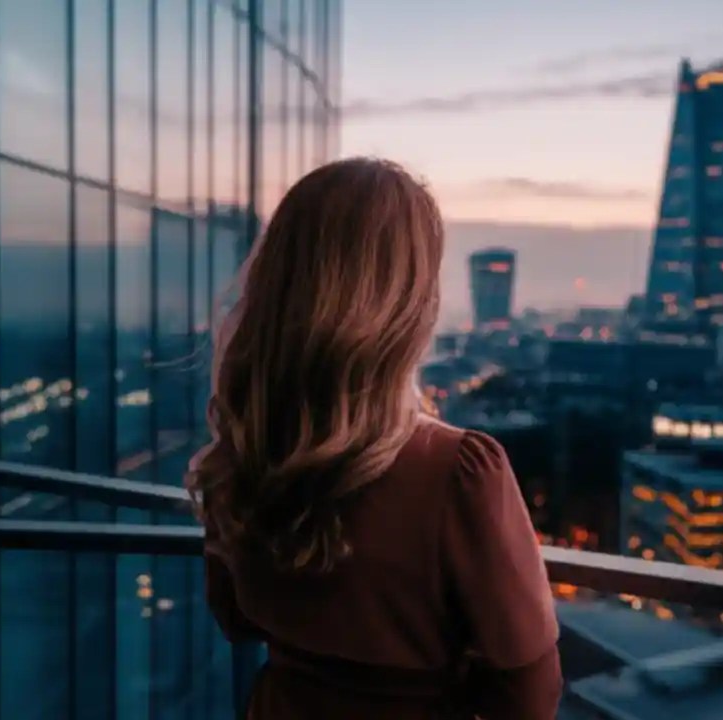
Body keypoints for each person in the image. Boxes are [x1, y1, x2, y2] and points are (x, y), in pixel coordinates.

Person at [188, 158, 561, 719]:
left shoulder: (244, 452)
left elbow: (235, 620)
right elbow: (531, 698)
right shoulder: (458, 472)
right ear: (409, 304)